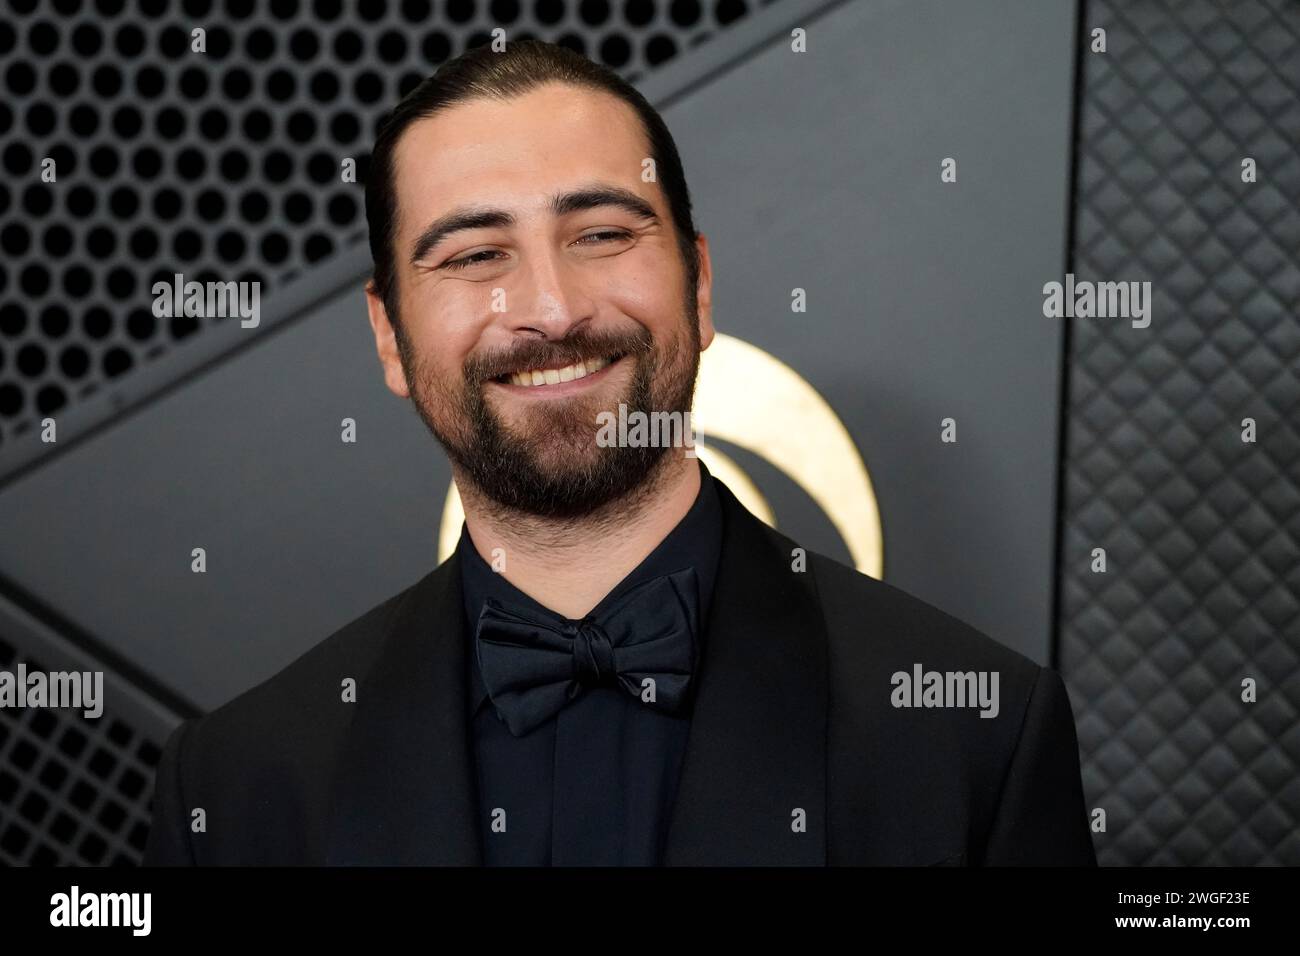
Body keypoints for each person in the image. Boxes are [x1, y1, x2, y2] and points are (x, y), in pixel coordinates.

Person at [143, 39, 1096, 866]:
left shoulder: (975, 737)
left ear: (701, 281)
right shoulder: (234, 790)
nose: (553, 309)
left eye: (601, 233)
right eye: (475, 255)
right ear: (390, 334)